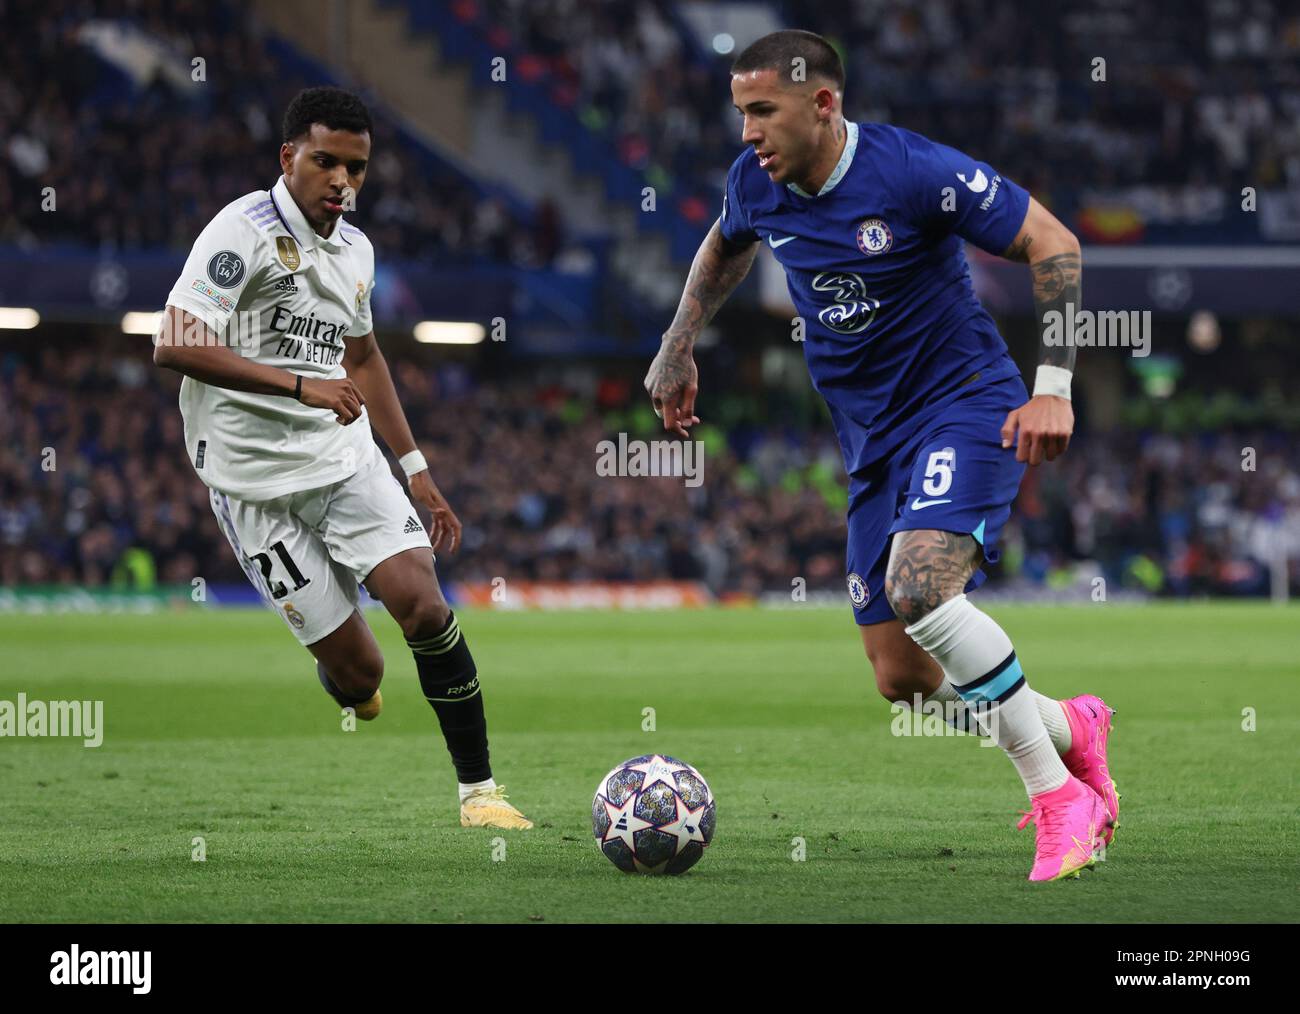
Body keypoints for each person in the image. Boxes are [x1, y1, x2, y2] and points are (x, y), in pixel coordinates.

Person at [644, 31, 1116, 881]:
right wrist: (679, 345)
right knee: (901, 675)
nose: (747, 132)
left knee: (922, 587)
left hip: (964, 404)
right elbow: (725, 243)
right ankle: (1071, 727)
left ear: (822, 105)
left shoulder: (913, 172)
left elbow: (1055, 242)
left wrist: (1055, 385)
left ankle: (1059, 797)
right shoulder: (757, 181)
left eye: (762, 112)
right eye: (739, 113)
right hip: (871, 445)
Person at [154, 86, 531, 831]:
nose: (342, 183)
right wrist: (301, 384)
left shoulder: (355, 248)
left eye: (355, 169)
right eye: (325, 163)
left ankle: (480, 796)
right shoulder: (241, 232)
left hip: (344, 459)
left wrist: (416, 467)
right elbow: (174, 344)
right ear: (287, 157)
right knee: (363, 675)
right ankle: (352, 683)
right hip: (251, 486)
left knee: (422, 602)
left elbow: (362, 356)